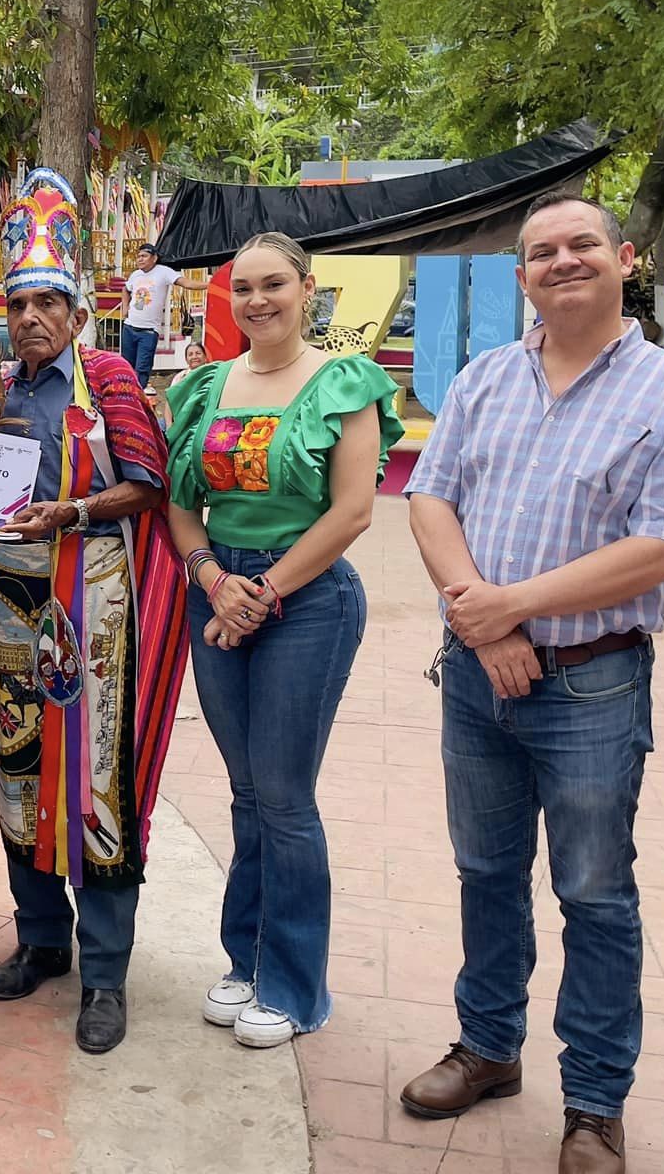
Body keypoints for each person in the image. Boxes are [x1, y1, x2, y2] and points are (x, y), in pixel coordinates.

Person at [397, 192, 664, 1174]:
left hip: (590, 684)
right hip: (474, 675)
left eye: (580, 244)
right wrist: (478, 610)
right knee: (484, 873)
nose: (561, 261)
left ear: (623, 258)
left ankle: (593, 1105)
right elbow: (427, 502)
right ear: (521, 277)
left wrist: (511, 608)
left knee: (592, 893)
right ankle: (487, 1048)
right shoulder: (481, 381)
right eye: (540, 251)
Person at [0, 168, 187, 1054]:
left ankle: (105, 973)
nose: (30, 318)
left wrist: (71, 509)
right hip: (3, 594)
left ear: (75, 313)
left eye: (47, 304)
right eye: (18, 302)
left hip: (90, 597)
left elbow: (148, 486)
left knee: (96, 778)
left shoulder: (106, 380)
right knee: (16, 770)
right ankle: (41, 941)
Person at [163, 232, 401, 1051]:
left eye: (275, 285)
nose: (258, 300)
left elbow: (352, 511)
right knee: (245, 791)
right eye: (243, 289)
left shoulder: (346, 382)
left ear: (307, 289)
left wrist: (260, 594)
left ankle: (296, 987)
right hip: (218, 592)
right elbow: (181, 502)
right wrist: (211, 581)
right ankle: (248, 959)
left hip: (305, 601)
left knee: (285, 794)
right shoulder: (202, 388)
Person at [119, 242, 196, 388]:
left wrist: (209, 285)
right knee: (126, 365)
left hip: (148, 331)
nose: (140, 259)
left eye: (144, 256)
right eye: (138, 256)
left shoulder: (164, 272)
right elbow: (125, 289)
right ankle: (125, 394)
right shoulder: (136, 274)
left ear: (154, 258)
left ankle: (138, 396)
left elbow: (185, 283)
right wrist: (124, 309)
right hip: (129, 327)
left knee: (142, 368)